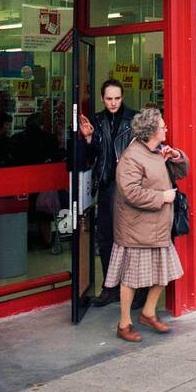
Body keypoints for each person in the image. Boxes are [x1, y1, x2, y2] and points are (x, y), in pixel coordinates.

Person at [107, 106, 188, 341]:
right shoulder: (131, 157)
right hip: (136, 229)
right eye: (162, 125)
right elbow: (130, 192)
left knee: (164, 273)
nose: (166, 128)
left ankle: (148, 312)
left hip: (156, 227)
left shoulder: (157, 151)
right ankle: (124, 324)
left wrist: (176, 157)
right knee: (131, 279)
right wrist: (161, 198)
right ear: (152, 130)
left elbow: (182, 172)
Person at [80, 80, 136, 307]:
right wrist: (89, 138)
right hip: (105, 185)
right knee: (106, 238)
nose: (113, 103)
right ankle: (109, 287)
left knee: (130, 240)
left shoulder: (134, 118)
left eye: (117, 98)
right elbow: (94, 155)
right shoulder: (97, 120)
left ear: (122, 97)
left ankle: (132, 288)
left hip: (129, 187)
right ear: (103, 98)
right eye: (109, 99)